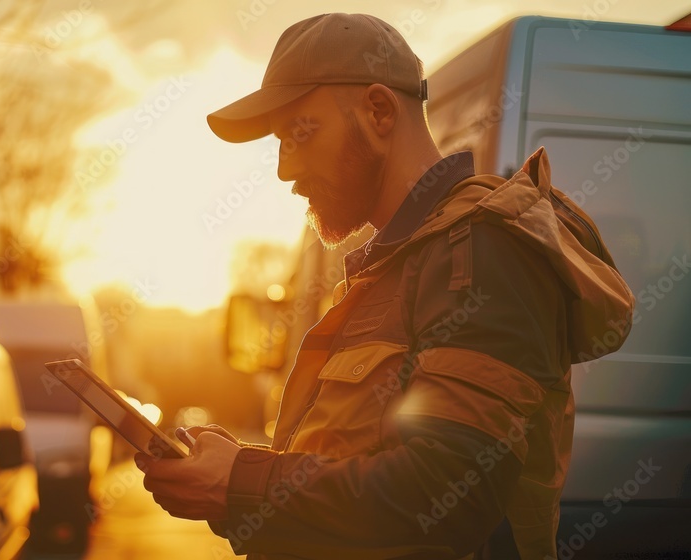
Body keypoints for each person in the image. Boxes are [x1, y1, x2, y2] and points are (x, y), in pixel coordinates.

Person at [137, 13, 634, 560]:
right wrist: (232, 477)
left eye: (300, 133)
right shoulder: (397, 266)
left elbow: (446, 494)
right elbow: (357, 480)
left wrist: (243, 482)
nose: (283, 169)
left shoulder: (483, 251)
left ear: (378, 111)